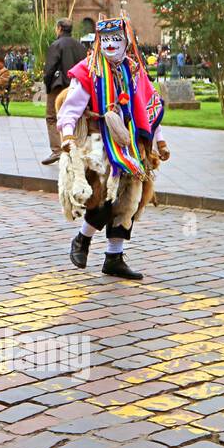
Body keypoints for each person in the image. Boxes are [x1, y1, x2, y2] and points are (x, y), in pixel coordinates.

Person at [56, 16, 169, 281]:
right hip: (98, 145)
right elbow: (69, 108)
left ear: (126, 41)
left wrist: (159, 141)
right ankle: (82, 239)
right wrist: (68, 136)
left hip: (129, 145)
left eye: (116, 39)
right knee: (103, 198)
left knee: (129, 200)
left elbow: (148, 110)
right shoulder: (87, 71)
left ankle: (114, 257)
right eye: (105, 39)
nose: (111, 44)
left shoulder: (135, 71)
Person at [42, 19, 87, 165]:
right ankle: (74, 147)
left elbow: (49, 69)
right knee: (75, 118)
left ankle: (57, 150)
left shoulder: (56, 45)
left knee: (52, 117)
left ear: (60, 28)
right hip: (77, 87)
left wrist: (48, 86)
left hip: (59, 87)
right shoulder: (80, 46)